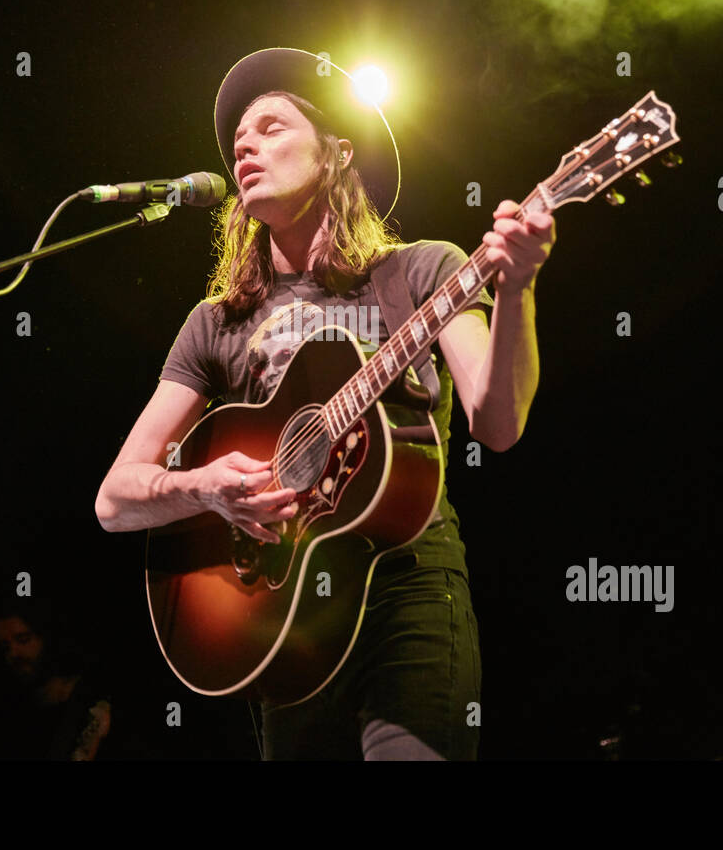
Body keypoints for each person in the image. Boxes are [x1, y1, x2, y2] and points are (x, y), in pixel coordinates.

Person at [95, 47, 555, 759]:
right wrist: (206, 489)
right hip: (283, 615)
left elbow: (497, 426)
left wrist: (517, 286)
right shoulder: (215, 322)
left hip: (406, 588)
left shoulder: (420, 270)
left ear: (338, 153)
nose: (245, 147)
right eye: (239, 142)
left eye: (272, 128)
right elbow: (116, 499)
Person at [0, 609, 112, 760]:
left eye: (23, 640)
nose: (13, 654)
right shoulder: (13, 713)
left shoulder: (90, 698)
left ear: (46, 637)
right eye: (5, 647)